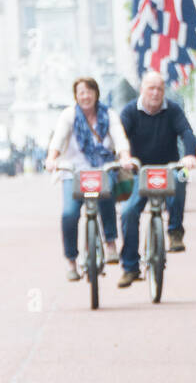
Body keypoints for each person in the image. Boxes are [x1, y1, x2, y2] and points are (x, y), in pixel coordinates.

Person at [45, 77, 135, 281]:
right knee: (69, 214)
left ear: (96, 93)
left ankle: (110, 242)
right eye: (81, 92)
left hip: (101, 170)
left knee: (106, 196)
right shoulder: (69, 115)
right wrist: (52, 159)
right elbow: (58, 139)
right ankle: (71, 260)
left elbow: (120, 138)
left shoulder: (108, 114)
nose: (85, 96)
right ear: (76, 95)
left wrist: (125, 156)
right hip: (73, 173)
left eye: (89, 91)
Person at [117, 71, 196, 288]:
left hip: (168, 168)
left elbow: (187, 132)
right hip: (139, 171)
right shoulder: (130, 111)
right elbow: (119, 135)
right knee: (128, 212)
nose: (155, 93)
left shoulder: (172, 110)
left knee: (182, 176)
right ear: (142, 89)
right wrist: (125, 157)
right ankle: (130, 267)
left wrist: (189, 154)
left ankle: (175, 231)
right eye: (151, 88)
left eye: (159, 88)